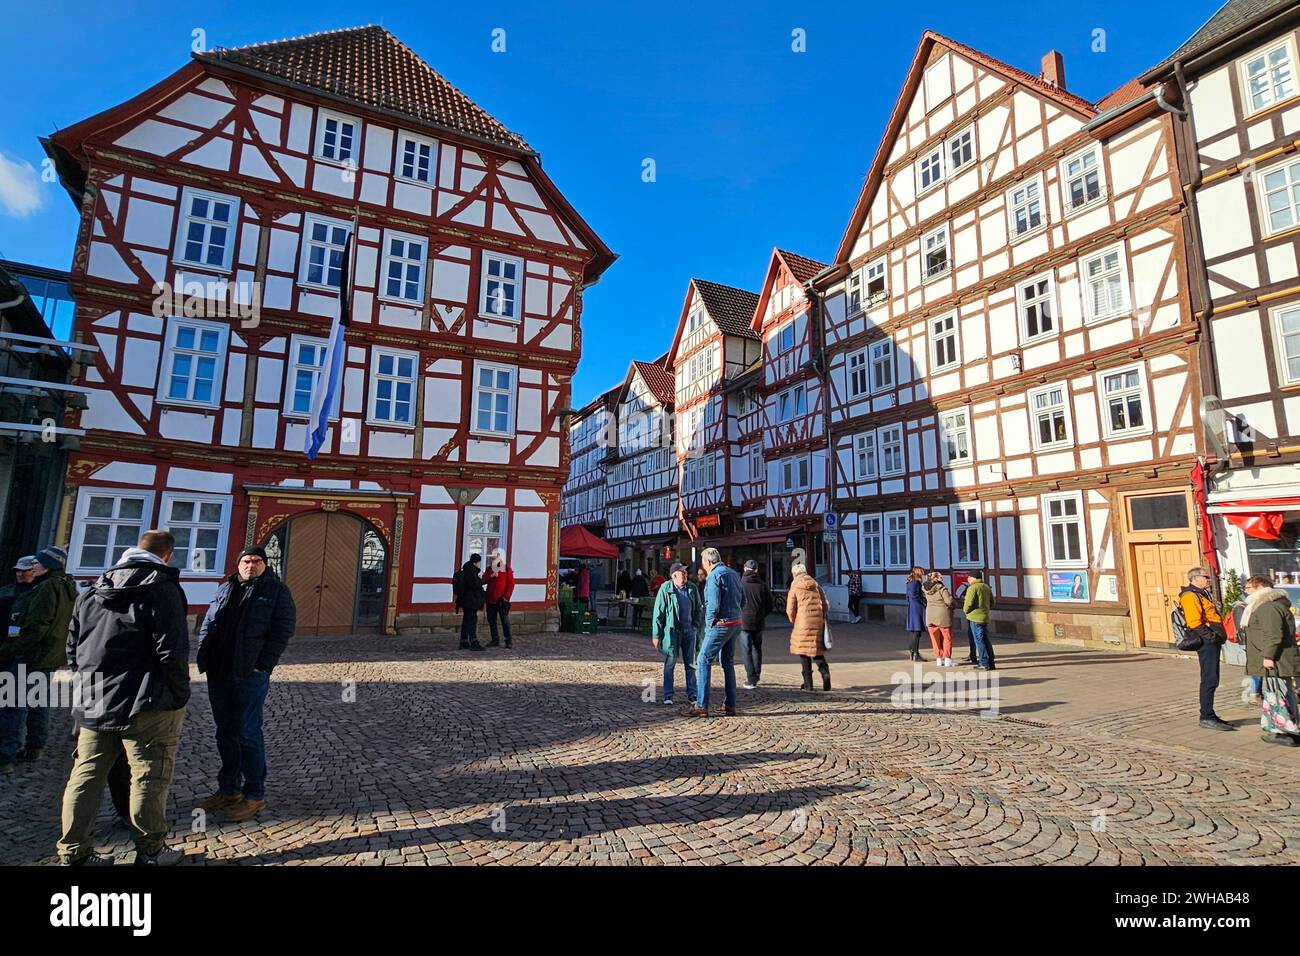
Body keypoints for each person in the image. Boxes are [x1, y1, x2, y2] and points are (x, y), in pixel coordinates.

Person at [57, 531, 190, 866]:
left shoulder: (92, 590)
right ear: (168, 556)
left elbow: (73, 646)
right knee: (148, 775)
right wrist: (178, 692)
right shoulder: (163, 589)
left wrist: (85, 684)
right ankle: (150, 851)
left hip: (95, 699)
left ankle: (74, 854)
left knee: (85, 775)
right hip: (145, 700)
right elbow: (171, 650)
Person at [195, 545, 297, 822]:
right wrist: (204, 650)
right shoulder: (225, 588)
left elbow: (283, 630)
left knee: (247, 731)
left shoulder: (276, 591)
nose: (251, 565)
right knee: (224, 731)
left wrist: (263, 663)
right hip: (219, 670)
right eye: (246, 561)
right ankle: (228, 789)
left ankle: (255, 793)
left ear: (265, 564)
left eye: (257, 561)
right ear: (238, 564)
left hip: (250, 672)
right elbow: (208, 623)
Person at [0, 546, 76, 770]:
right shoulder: (66, 586)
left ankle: (6, 755)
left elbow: (36, 627)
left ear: (48, 566)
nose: (33, 568)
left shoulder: (46, 588)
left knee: (13, 704)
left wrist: (9, 649)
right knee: (38, 701)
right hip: (48, 655)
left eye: (38, 564)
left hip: (32, 654)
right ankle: (35, 746)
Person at [1241, 574, 1300, 746]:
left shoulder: (1267, 606)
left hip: (1277, 660)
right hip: (1276, 659)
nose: (1246, 591)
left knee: (1278, 694)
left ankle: (1285, 730)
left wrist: (1268, 656)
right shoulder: (1264, 604)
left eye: (1249, 588)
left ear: (1260, 588)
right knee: (1276, 694)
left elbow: (1273, 635)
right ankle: (1279, 727)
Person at [685, 547, 743, 717]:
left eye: (703, 563)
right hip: (735, 623)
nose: (703, 566)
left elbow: (713, 605)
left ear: (708, 562)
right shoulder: (733, 574)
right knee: (727, 663)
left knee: (703, 660)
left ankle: (701, 705)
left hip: (721, 624)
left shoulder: (714, 576)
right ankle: (730, 705)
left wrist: (710, 624)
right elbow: (743, 599)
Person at [1180, 566, 1232, 731]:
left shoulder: (1202, 594)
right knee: (1209, 679)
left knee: (1213, 678)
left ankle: (1210, 713)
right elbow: (1194, 622)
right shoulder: (1190, 596)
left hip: (1211, 641)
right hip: (1206, 642)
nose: (1209, 580)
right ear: (1195, 578)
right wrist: (1211, 637)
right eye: (1206, 577)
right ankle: (1206, 716)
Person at [651, 563, 700, 705]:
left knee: (690, 664)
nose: (685, 575)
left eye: (685, 572)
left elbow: (698, 608)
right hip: (672, 631)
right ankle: (668, 695)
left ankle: (692, 694)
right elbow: (658, 613)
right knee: (670, 664)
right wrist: (656, 635)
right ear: (674, 576)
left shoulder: (692, 588)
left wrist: (695, 625)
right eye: (682, 573)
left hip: (689, 631)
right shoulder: (665, 589)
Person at [786, 562, 831, 691]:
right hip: (818, 622)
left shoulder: (794, 587)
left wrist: (795, 621)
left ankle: (808, 684)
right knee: (817, 650)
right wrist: (820, 617)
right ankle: (825, 674)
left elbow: (790, 609)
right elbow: (826, 604)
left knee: (804, 653)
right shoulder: (816, 585)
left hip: (802, 623)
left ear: (794, 574)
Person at [739, 559, 774, 689]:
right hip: (759, 622)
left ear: (744, 569)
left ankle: (751, 678)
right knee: (757, 649)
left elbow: (736, 603)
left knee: (746, 650)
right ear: (756, 570)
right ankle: (756, 675)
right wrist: (762, 614)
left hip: (744, 622)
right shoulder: (762, 585)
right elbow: (770, 604)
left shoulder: (740, 584)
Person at [963, 570, 997, 671]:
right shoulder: (986, 586)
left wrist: (966, 611)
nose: (967, 579)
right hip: (984, 617)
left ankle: (983, 663)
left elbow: (968, 603)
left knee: (979, 641)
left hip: (974, 618)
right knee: (986, 640)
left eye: (968, 577)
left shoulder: (972, 588)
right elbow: (993, 602)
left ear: (972, 578)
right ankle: (991, 663)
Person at [453, 553, 486, 651]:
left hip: (465, 600)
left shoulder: (466, 569)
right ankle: (473, 641)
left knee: (466, 620)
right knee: (472, 621)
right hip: (471, 600)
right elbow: (474, 585)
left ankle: (464, 641)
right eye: (479, 562)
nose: (480, 564)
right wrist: (481, 580)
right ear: (476, 562)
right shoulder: (472, 571)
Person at [482, 551, 515, 649]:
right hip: (490, 598)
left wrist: (506, 598)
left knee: (505, 621)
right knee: (491, 620)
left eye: (494, 557)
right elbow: (483, 580)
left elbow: (511, 584)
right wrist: (490, 576)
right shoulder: (489, 569)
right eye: (491, 558)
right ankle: (495, 639)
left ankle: (508, 641)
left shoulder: (506, 569)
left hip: (501, 600)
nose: (492, 559)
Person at [924, 571, 955, 667]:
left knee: (935, 639)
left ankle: (938, 658)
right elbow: (949, 601)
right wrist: (954, 605)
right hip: (943, 616)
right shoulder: (942, 589)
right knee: (947, 638)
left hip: (930, 616)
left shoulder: (925, 588)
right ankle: (947, 659)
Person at [0, 555, 37, 633]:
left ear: (35, 571)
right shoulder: (5, 592)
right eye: (18, 571)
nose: (19, 574)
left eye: (24, 571)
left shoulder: (40, 591)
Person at [905, 567, 927, 662]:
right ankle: (915, 653)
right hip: (917, 608)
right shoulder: (915, 583)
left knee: (913, 631)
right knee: (917, 631)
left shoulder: (910, 582)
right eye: (922, 573)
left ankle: (912, 651)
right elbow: (915, 596)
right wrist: (923, 603)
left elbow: (907, 597)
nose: (924, 575)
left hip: (912, 607)